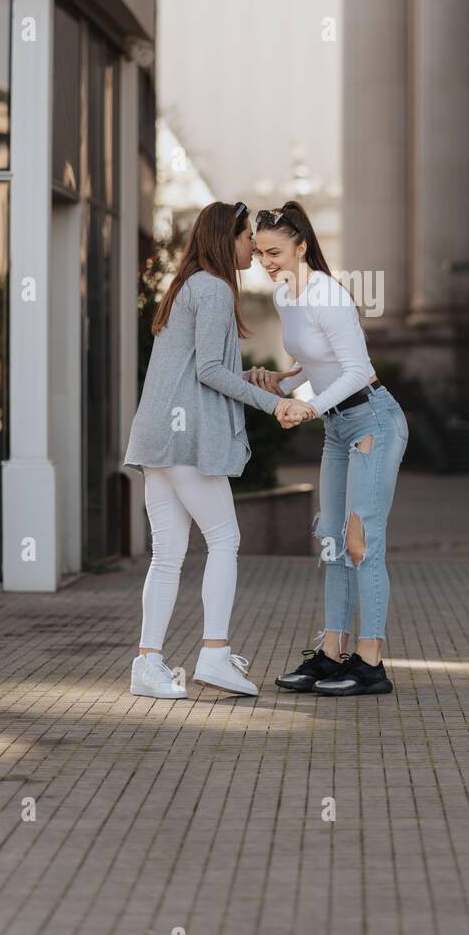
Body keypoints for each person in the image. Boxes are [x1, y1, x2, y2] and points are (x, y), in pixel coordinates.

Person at [124, 201, 313, 700]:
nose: (254, 245)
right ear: (223, 240)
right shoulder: (211, 288)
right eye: (247, 237)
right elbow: (208, 372)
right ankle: (213, 654)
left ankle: (148, 663)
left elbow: (204, 369)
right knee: (224, 540)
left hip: (158, 439)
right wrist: (274, 407)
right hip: (187, 442)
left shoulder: (190, 286)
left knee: (167, 556)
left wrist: (256, 380)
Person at [250, 201, 409, 697]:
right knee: (333, 543)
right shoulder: (284, 295)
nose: (266, 261)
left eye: (274, 251)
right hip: (338, 430)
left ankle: (370, 663)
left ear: (301, 246)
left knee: (363, 543)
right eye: (258, 253)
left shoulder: (326, 294)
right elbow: (315, 359)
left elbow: (357, 370)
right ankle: (333, 652)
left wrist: (311, 406)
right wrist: (284, 378)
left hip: (372, 422)